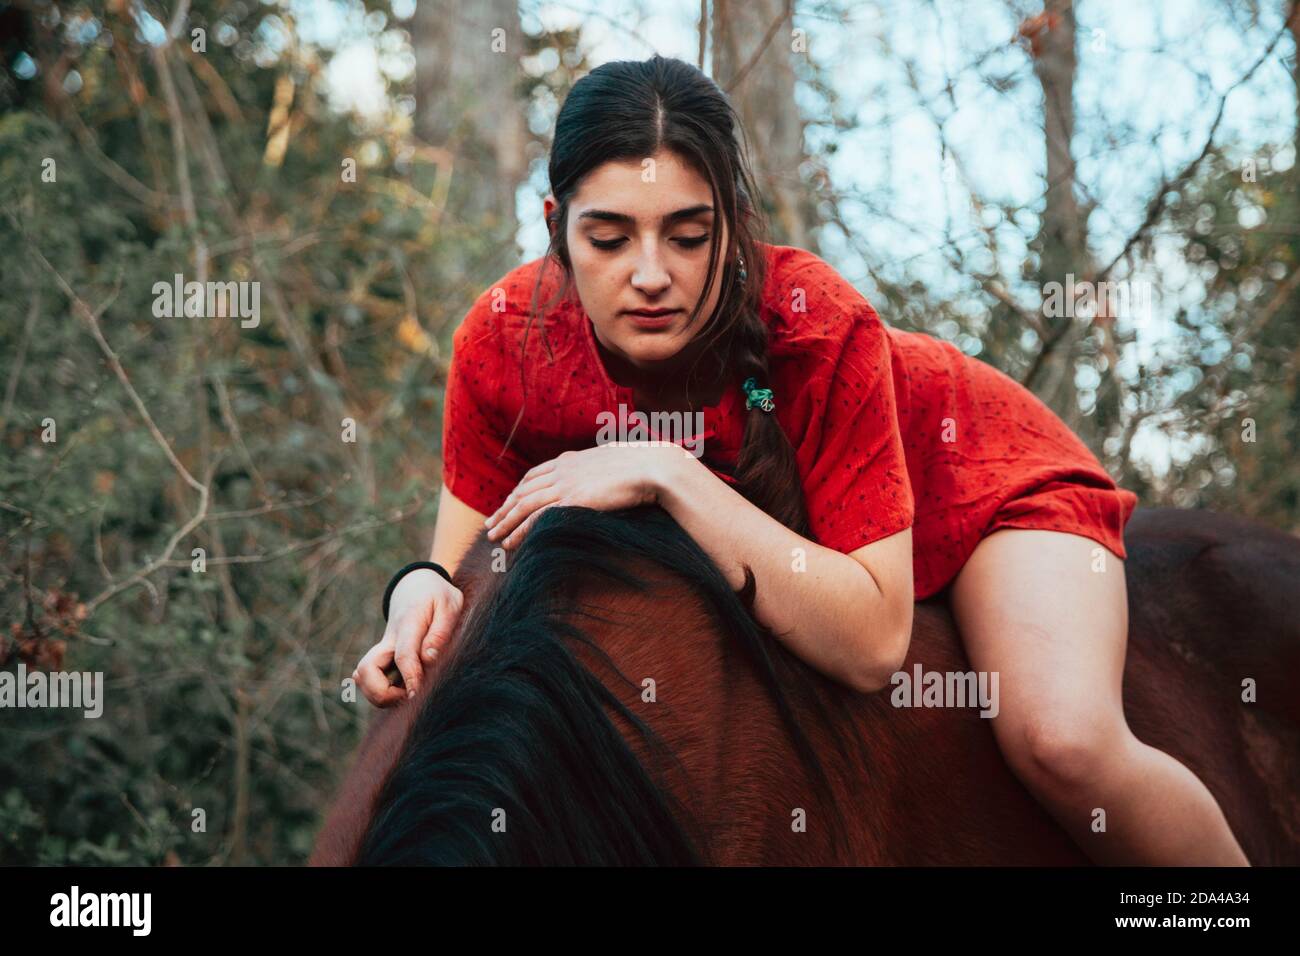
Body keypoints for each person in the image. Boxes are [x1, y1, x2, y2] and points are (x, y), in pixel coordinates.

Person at [354, 54, 1249, 866]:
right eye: (610, 236)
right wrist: (413, 595)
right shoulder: (503, 339)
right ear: (556, 228)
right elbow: (459, 558)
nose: (653, 274)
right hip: (815, 535)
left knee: (1064, 740)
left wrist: (668, 473)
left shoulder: (813, 323)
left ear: (735, 228)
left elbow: (869, 646)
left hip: (981, 489)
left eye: (688, 235)